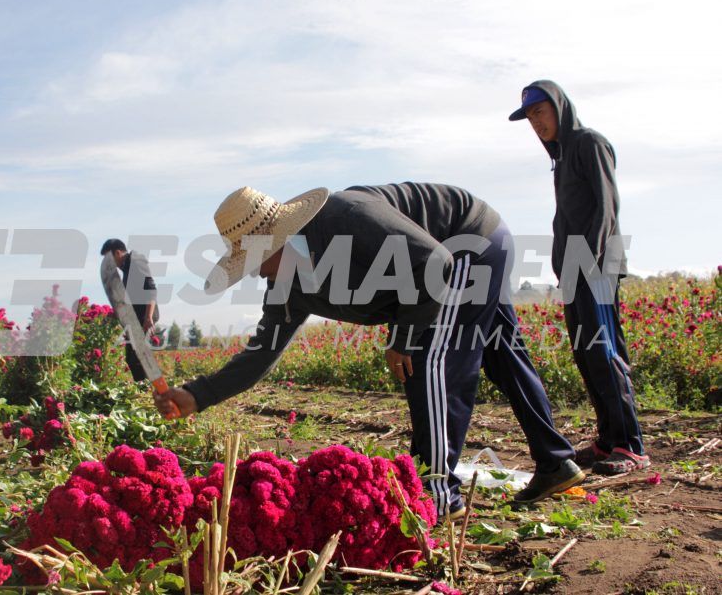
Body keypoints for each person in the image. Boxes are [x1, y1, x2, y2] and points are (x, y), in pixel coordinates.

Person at [154, 183, 584, 519]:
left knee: (429, 361)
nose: (256, 274)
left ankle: (436, 494)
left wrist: (402, 338)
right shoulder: (288, 284)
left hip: (467, 241)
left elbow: (435, 263)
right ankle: (555, 463)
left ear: (281, 239)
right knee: (500, 356)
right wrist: (198, 395)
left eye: (257, 260)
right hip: (450, 261)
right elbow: (262, 351)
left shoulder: (346, 218)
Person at [509, 80, 648, 475]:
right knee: (587, 354)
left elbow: (606, 207)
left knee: (605, 353)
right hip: (575, 270)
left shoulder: (588, 143)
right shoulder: (562, 156)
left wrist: (589, 261)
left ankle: (630, 445)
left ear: (559, 107)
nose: (535, 122)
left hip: (597, 266)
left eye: (540, 112)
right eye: (530, 117)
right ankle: (608, 441)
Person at [100, 239, 159, 381]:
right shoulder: (126, 268)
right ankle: (144, 389)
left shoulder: (136, 261)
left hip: (144, 317)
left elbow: (151, 290)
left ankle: (146, 390)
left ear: (118, 252)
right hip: (135, 318)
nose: (108, 264)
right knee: (133, 358)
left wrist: (148, 318)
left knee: (138, 358)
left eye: (109, 258)